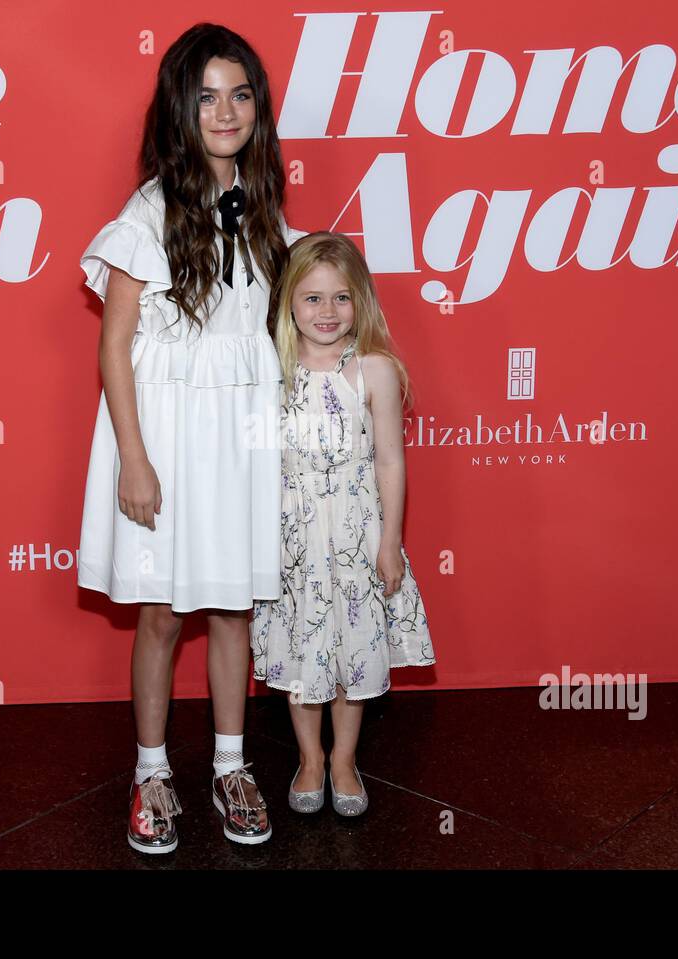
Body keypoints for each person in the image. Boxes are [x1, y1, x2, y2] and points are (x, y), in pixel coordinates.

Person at [77, 22, 306, 854]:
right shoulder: (148, 210)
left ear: (259, 107)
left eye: (240, 93)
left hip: (238, 437)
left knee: (235, 605)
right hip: (169, 437)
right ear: (180, 106)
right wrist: (134, 459)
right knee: (165, 613)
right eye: (207, 95)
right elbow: (114, 343)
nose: (225, 110)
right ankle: (149, 771)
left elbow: (275, 329)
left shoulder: (264, 204)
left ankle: (230, 765)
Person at [251, 232, 436, 817]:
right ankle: (309, 758)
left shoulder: (373, 369)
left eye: (340, 298)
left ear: (362, 301)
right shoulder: (271, 368)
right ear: (288, 303)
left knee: (353, 652)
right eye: (311, 299)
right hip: (293, 534)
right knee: (304, 652)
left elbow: (389, 460)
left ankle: (343, 760)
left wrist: (390, 543)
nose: (326, 313)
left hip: (356, 533)